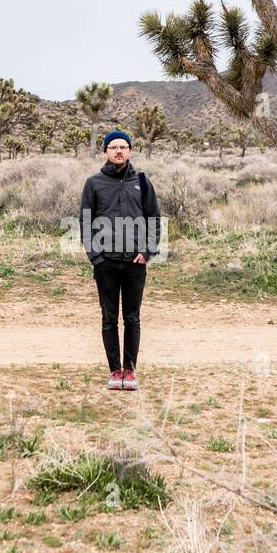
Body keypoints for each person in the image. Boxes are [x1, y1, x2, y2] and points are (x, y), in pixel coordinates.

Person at [79, 130, 161, 391]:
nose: (118, 151)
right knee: (109, 318)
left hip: (135, 263)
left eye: (122, 146)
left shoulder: (143, 181)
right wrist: (96, 257)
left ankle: (131, 370)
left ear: (130, 150)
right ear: (105, 151)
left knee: (133, 318)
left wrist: (147, 251)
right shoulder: (94, 183)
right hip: (107, 264)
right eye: (113, 147)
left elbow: (153, 219)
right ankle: (115, 370)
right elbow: (85, 222)